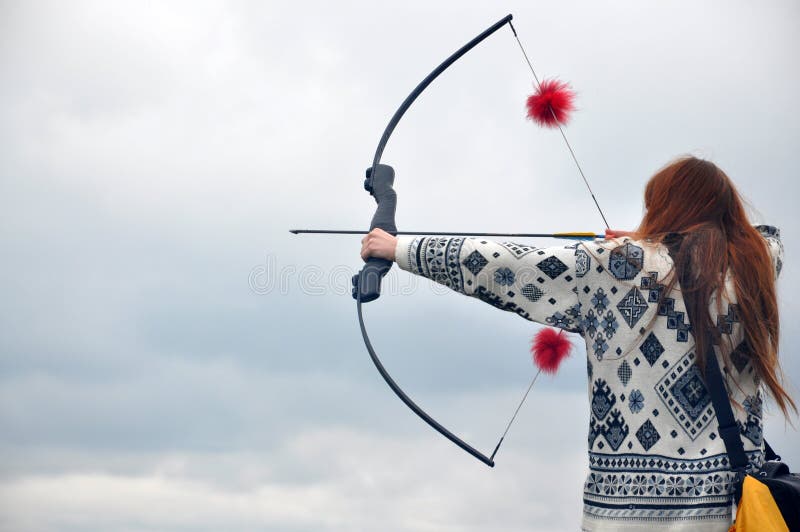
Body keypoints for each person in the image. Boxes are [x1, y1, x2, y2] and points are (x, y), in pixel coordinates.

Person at [359, 156, 795, 531]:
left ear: (663, 209)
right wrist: (667, 243)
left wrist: (398, 248)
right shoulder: (754, 266)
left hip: (625, 518)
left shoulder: (613, 268)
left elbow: (501, 265)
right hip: (731, 512)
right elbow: (765, 236)